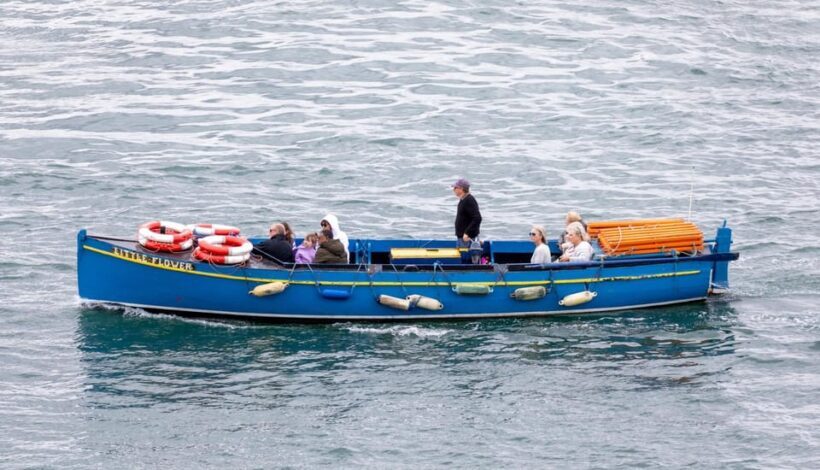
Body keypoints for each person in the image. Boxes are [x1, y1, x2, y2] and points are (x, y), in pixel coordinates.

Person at [452, 177, 482, 250]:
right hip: (462, 237)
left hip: (467, 239)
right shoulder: (463, 200)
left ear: (461, 189)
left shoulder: (469, 200)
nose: (453, 190)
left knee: (466, 259)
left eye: (455, 188)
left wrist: (467, 233)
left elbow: (477, 218)